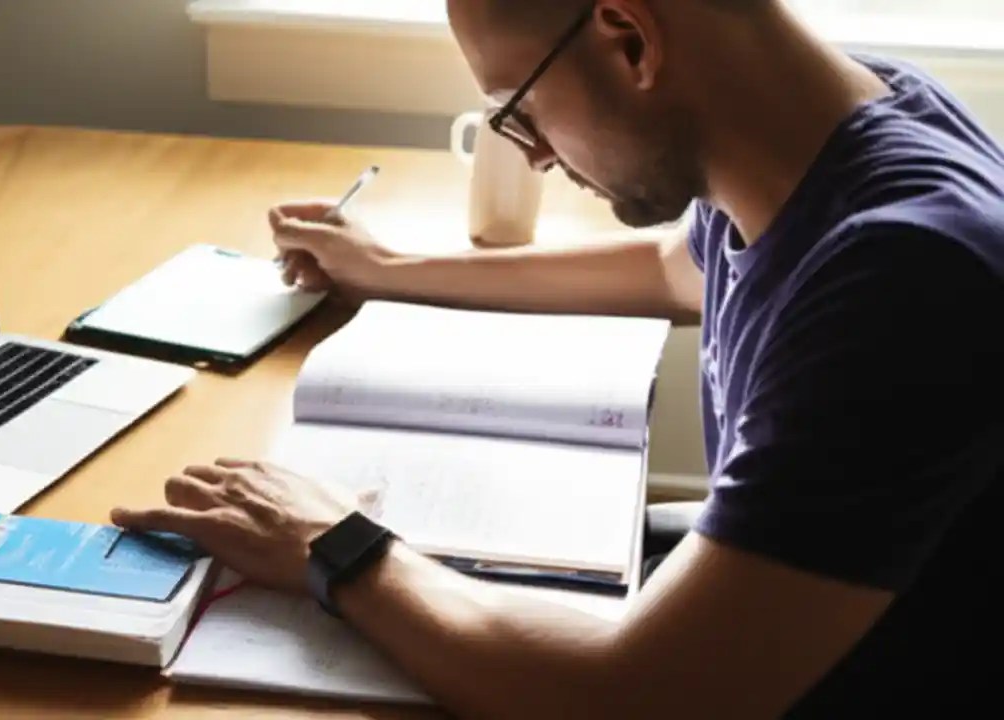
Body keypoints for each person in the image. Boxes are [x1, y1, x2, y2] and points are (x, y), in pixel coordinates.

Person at [114, 0, 1004, 716]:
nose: (532, 157)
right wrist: (390, 270)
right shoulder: (830, 128)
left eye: (519, 109)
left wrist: (333, 543)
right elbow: (675, 266)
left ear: (629, 40)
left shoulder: (906, 272)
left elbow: (638, 695)